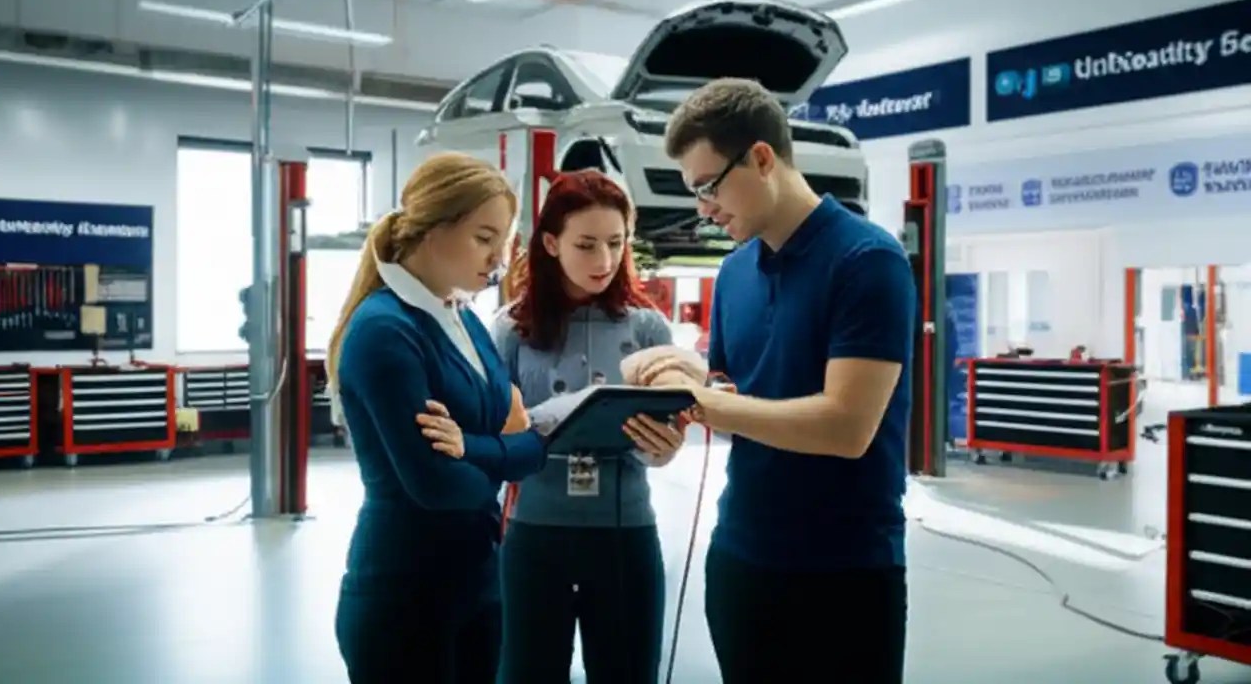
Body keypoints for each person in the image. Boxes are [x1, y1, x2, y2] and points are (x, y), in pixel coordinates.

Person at [655, 78, 917, 684]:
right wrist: (673, 391)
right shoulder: (734, 271)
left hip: (844, 574)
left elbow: (846, 426)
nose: (703, 208)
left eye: (708, 187)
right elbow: (732, 393)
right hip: (741, 560)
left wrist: (709, 406)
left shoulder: (867, 262)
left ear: (762, 158)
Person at [327, 152, 549, 684]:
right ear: (432, 229)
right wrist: (508, 445)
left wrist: (478, 448)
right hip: (406, 593)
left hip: (475, 582)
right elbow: (439, 485)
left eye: (505, 241)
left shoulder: (463, 317)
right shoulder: (385, 331)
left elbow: (530, 447)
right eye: (484, 237)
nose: (499, 260)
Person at [491, 170, 686, 684]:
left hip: (625, 533)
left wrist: (662, 448)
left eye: (616, 243)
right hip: (535, 534)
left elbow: (658, 436)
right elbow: (491, 436)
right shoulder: (511, 329)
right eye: (586, 244)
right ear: (551, 243)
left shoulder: (647, 327)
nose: (603, 261)